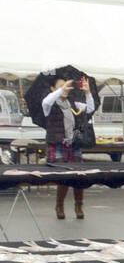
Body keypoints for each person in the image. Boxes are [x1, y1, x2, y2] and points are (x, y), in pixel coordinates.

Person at [41, 76, 94, 219]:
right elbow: (46, 101)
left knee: (80, 176)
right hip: (57, 144)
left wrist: (88, 92)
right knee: (63, 177)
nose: (65, 89)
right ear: (53, 89)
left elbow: (90, 108)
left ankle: (78, 205)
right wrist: (60, 91)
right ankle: (59, 205)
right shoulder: (49, 104)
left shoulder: (72, 103)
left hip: (73, 144)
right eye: (60, 86)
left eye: (66, 86)